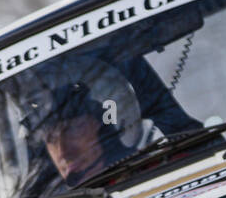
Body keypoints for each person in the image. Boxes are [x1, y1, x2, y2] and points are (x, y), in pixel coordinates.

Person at [19, 58, 146, 190]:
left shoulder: (152, 170)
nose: (63, 152)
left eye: (71, 131)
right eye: (51, 139)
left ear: (100, 125)